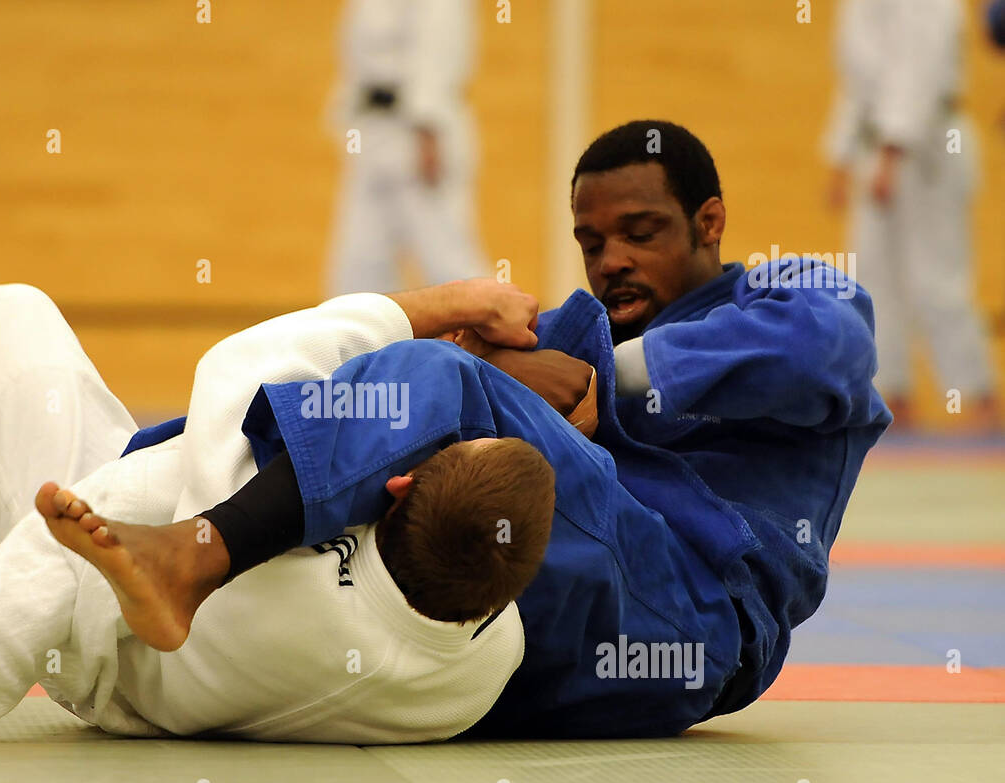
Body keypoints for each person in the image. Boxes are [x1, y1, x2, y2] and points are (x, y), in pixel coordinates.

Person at [97, 121, 893, 738]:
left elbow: (827, 350)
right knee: (387, 383)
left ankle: (200, 550)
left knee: (442, 383)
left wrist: (597, 380)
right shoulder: (585, 330)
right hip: (560, 637)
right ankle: (135, 492)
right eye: (590, 242)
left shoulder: (784, 294)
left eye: (639, 232)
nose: (610, 259)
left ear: (709, 221)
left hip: (698, 612)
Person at [0, 280, 561, 745]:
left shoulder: (275, 541)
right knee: (153, 486)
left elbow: (237, 370)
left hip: (85, 643)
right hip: (194, 681)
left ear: (395, 484)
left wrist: (448, 308)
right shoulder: (486, 669)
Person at [824, 0, 999, 431]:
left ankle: (978, 400)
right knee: (873, 280)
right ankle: (893, 400)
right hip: (877, 144)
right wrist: (841, 155)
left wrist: (893, 148)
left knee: (936, 279)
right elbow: (860, 82)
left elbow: (918, 65)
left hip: (928, 142)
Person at [326, 0, 487, 295]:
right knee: (359, 262)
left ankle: (486, 333)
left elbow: (440, 50)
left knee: (445, 255)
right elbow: (355, 56)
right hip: (372, 132)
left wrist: (428, 131)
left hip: (417, 135)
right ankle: (363, 340)